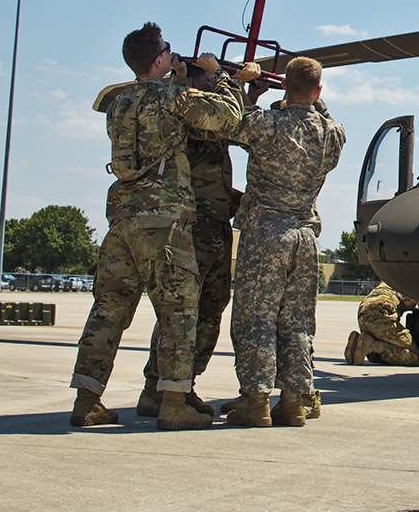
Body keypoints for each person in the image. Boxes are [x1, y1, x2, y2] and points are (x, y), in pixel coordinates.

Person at [67, 23, 252, 429]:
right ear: (157, 60)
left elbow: (156, 129)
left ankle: (86, 400)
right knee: (180, 308)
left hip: (122, 218)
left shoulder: (119, 103)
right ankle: (172, 403)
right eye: (167, 50)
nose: (172, 54)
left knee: (108, 310)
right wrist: (224, 78)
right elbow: (226, 117)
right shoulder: (171, 98)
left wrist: (180, 78)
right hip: (163, 221)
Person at [223, 56, 346, 428]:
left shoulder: (268, 125)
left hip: (266, 233)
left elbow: (231, 119)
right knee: (297, 322)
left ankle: (256, 399)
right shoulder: (332, 134)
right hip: (305, 236)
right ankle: (293, 401)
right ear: (318, 90)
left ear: (286, 88)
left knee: (255, 317)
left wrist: (237, 82)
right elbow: (323, 115)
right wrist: (308, 95)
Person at [135, 59, 244, 420]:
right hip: (192, 228)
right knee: (181, 312)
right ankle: (158, 388)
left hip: (216, 228)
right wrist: (230, 83)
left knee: (210, 310)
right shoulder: (187, 117)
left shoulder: (207, 118)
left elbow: (237, 124)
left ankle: (183, 386)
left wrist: (249, 94)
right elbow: (230, 121)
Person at [347, 281, 419, 366]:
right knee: (415, 357)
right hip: (381, 316)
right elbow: (418, 303)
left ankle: (358, 342)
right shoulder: (411, 284)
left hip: (363, 313)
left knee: (377, 354)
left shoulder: (389, 280)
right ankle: (373, 345)